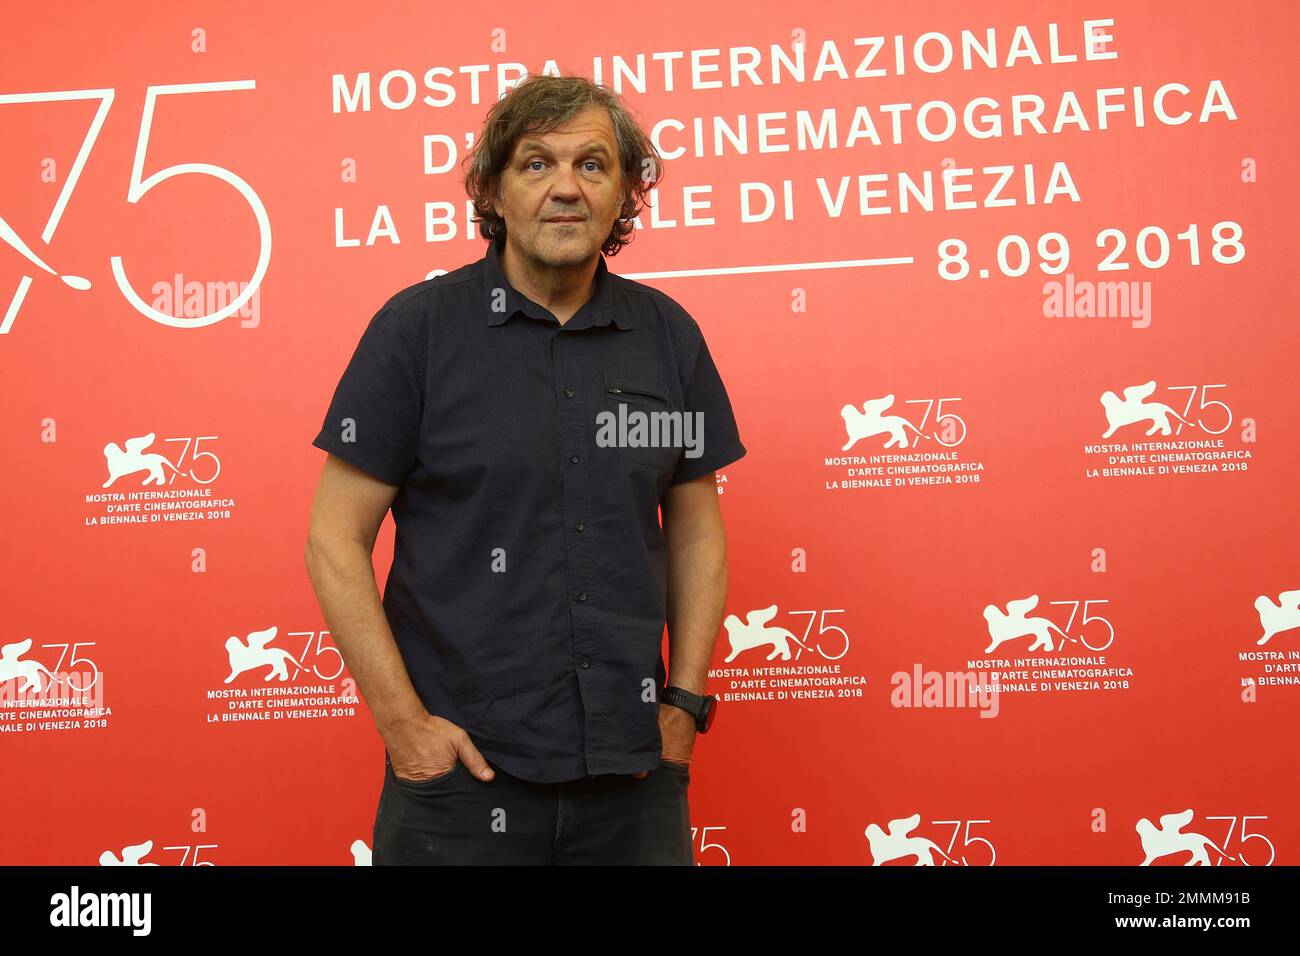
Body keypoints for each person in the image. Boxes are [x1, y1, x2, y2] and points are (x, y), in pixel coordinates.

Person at [304, 73, 746, 865]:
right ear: (492, 191)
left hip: (633, 774)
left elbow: (696, 529)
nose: (566, 188)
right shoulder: (417, 333)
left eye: (593, 165)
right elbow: (334, 538)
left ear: (623, 195)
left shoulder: (668, 337)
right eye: (536, 164)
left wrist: (681, 704)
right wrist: (403, 726)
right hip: (461, 779)